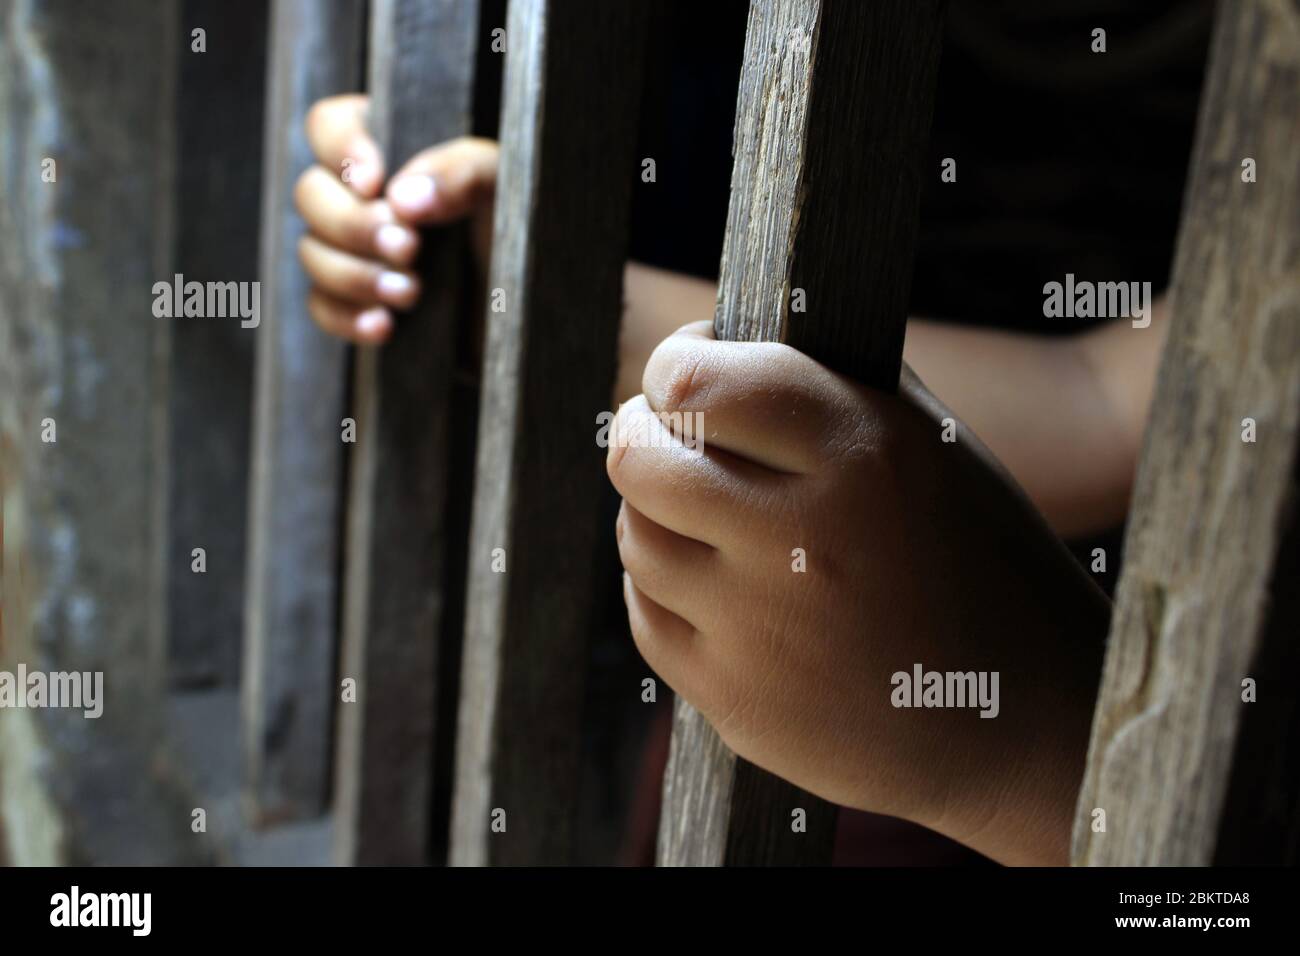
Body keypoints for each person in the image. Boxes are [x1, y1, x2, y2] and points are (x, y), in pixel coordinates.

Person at [291, 1, 1212, 864]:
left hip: (1022, 647)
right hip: (836, 629)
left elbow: (1120, 412)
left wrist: (1025, 742)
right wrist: (470, 238)